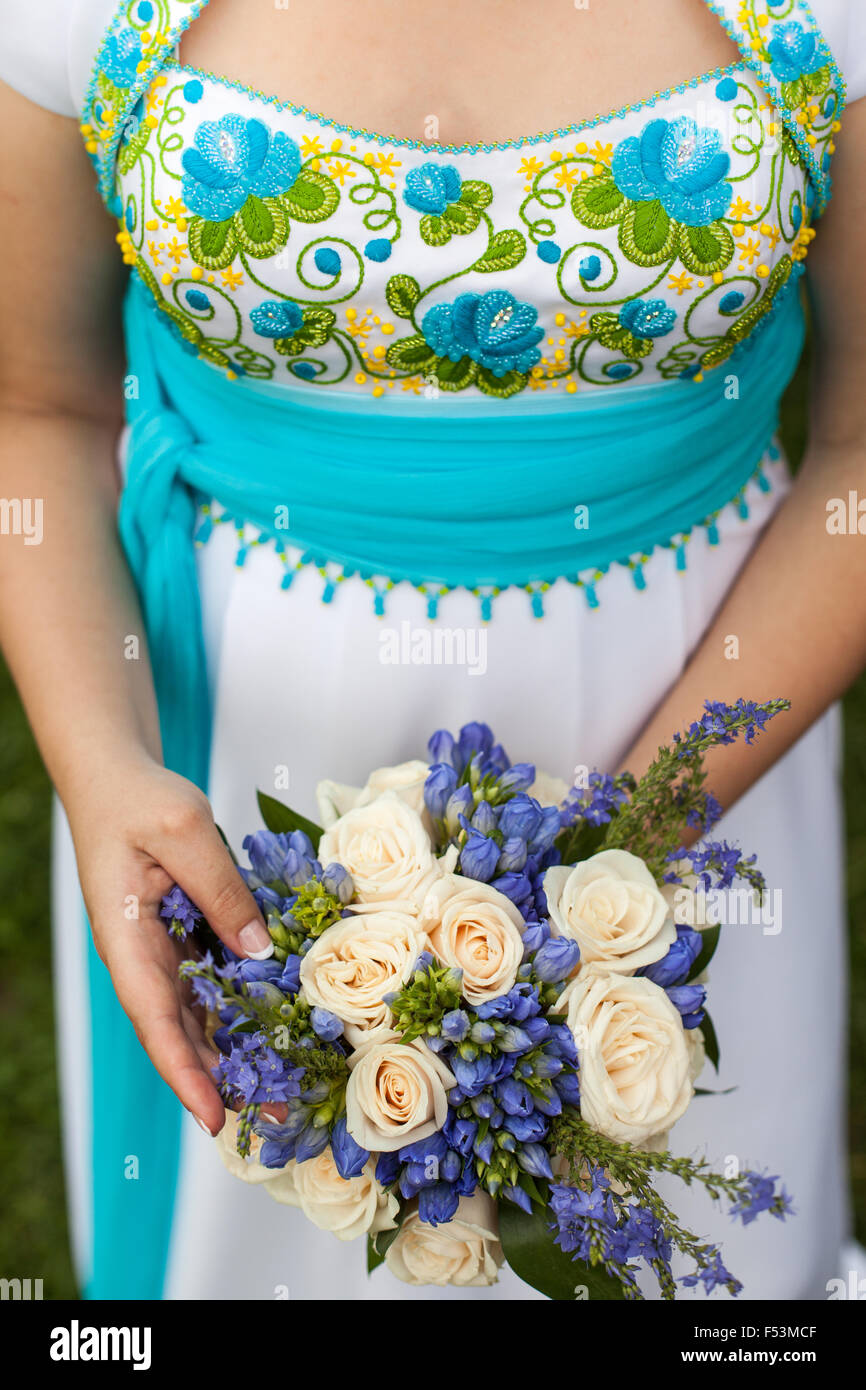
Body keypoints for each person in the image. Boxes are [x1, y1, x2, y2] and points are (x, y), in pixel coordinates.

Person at [0, 0, 864, 1300]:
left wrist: (639, 832)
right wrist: (102, 766)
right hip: (231, 765)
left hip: (706, 734)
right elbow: (34, 402)